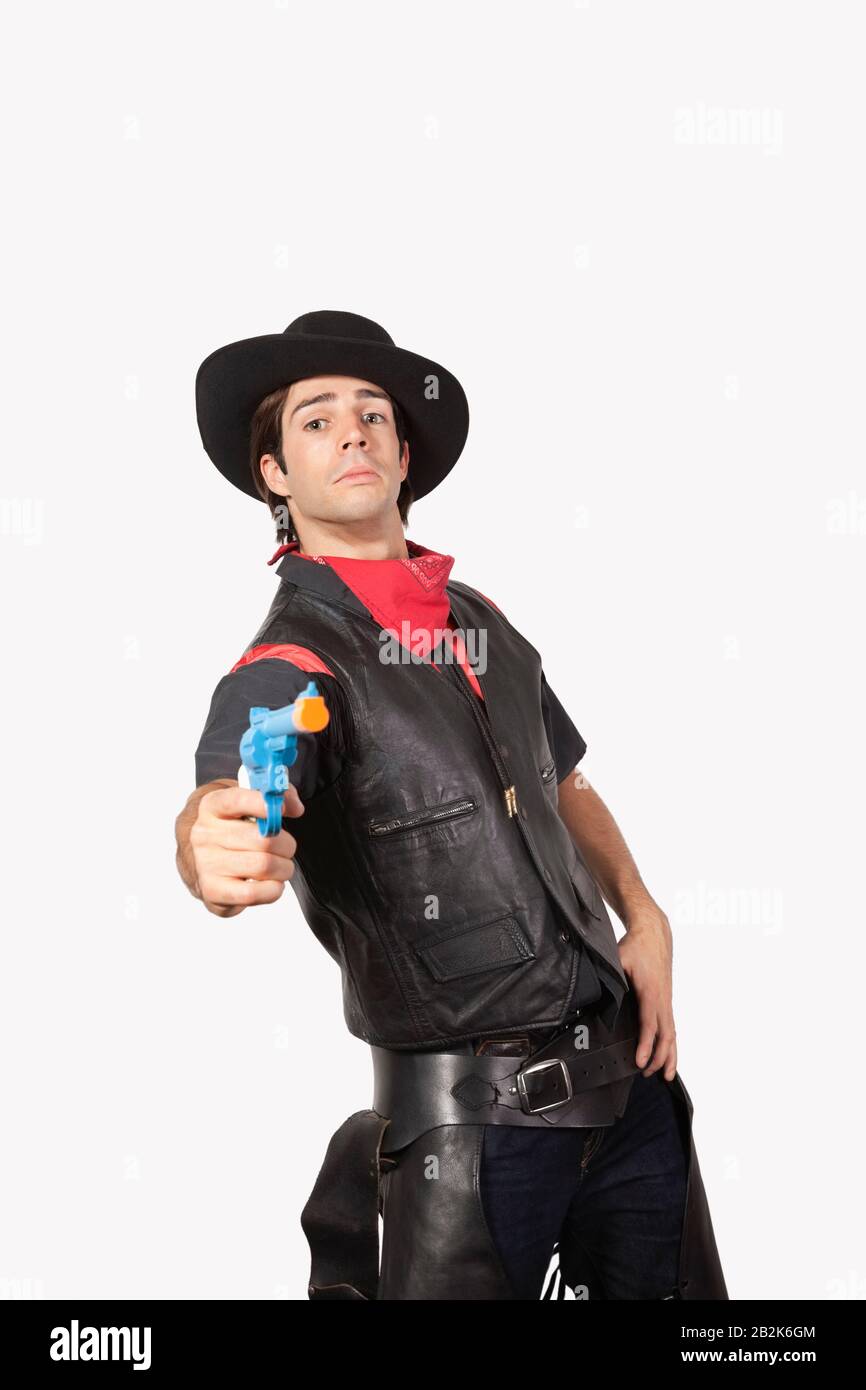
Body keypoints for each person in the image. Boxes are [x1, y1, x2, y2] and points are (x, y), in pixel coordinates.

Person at [174, 309, 728, 1300]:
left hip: (633, 1093)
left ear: (401, 450)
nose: (352, 432)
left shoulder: (483, 624)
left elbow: (567, 779)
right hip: (474, 1144)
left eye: (374, 414)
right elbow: (253, 757)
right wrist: (215, 827)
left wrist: (640, 912)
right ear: (274, 474)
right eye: (314, 420)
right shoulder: (293, 660)